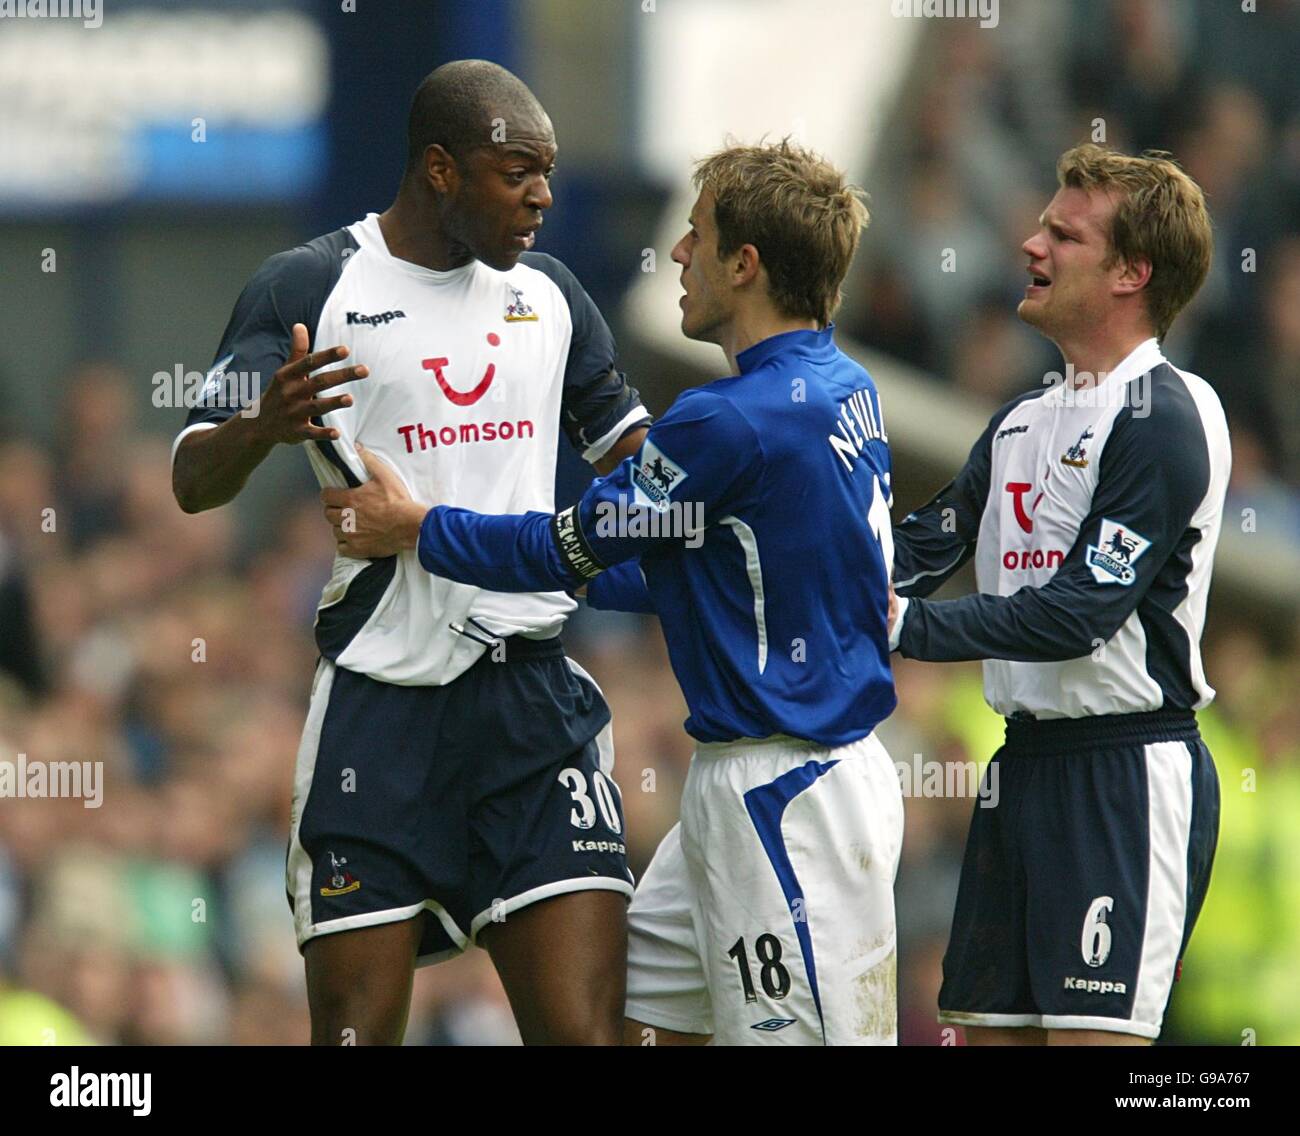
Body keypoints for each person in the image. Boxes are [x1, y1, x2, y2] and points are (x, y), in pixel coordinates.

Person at [325, 140, 905, 1046]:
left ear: (745, 265)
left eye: (697, 235)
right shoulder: (842, 385)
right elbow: (701, 574)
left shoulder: (728, 419)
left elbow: (574, 544)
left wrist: (421, 530)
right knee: (633, 1023)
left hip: (791, 791)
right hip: (743, 774)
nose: (678, 254)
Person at [170, 60, 651, 1046]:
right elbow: (189, 477)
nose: (543, 196)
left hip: (530, 708)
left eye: (548, 173)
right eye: (516, 170)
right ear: (439, 169)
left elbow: (649, 482)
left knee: (589, 1033)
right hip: (377, 716)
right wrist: (260, 427)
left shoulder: (553, 297)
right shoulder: (309, 283)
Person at [888, 144, 1229, 1045]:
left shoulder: (1167, 415)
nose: (1030, 245)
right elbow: (919, 547)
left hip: (1124, 773)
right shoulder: (1019, 418)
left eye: (1062, 235)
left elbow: (1079, 613)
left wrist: (903, 627)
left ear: (1131, 272)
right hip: (1022, 772)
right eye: (1041, 225)